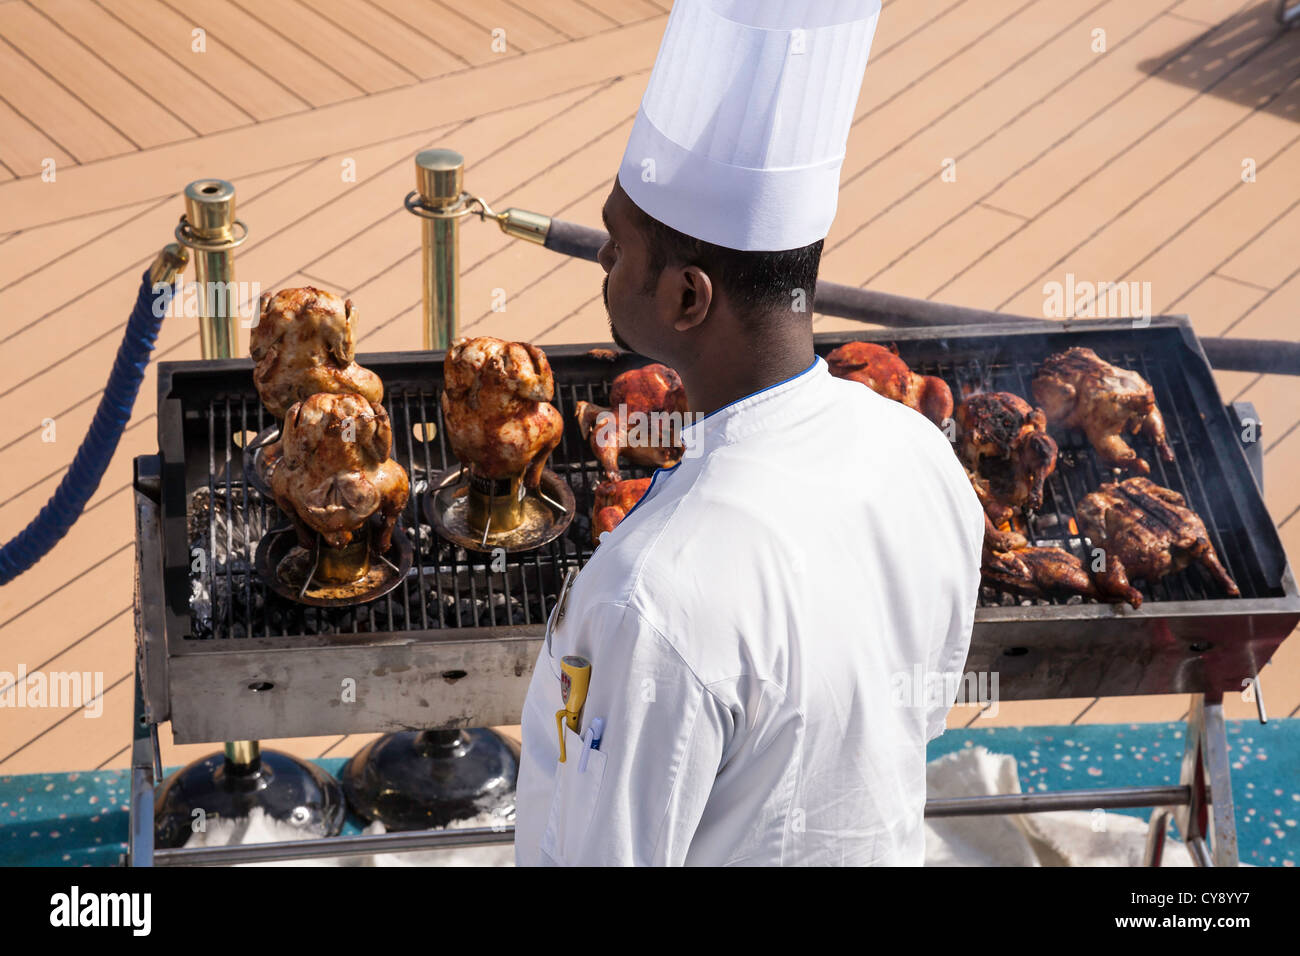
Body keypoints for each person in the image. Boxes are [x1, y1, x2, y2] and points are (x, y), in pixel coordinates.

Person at [515, 0, 985, 866]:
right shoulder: (921, 453)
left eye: (618, 245)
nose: (602, 259)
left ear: (688, 298)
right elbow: (911, 719)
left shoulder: (647, 597)